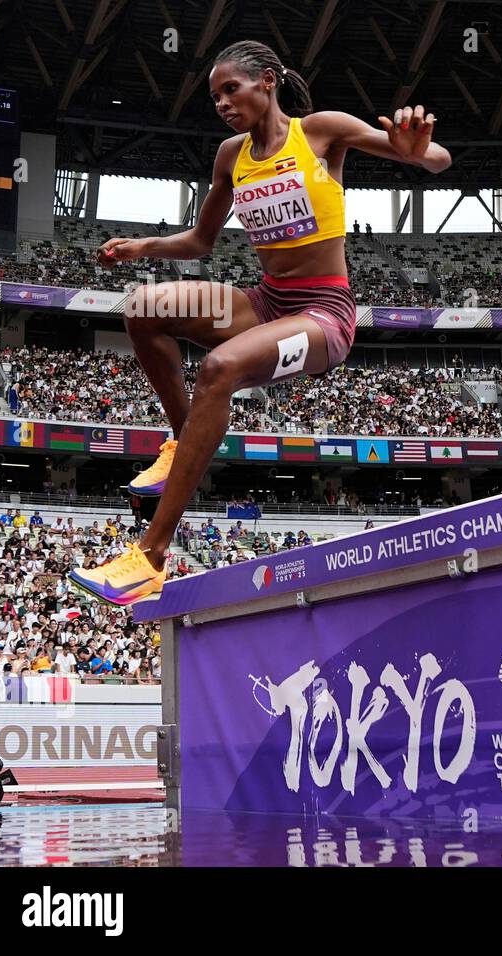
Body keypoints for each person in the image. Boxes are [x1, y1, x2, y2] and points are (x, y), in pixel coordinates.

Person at [70, 39, 451, 607]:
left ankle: (149, 557)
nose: (222, 102)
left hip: (323, 316)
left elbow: (438, 158)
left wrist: (416, 151)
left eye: (232, 89)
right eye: (215, 95)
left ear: (268, 81)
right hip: (264, 302)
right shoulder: (231, 156)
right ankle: (183, 441)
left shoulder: (320, 131)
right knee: (144, 309)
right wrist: (144, 246)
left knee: (221, 368)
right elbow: (201, 241)